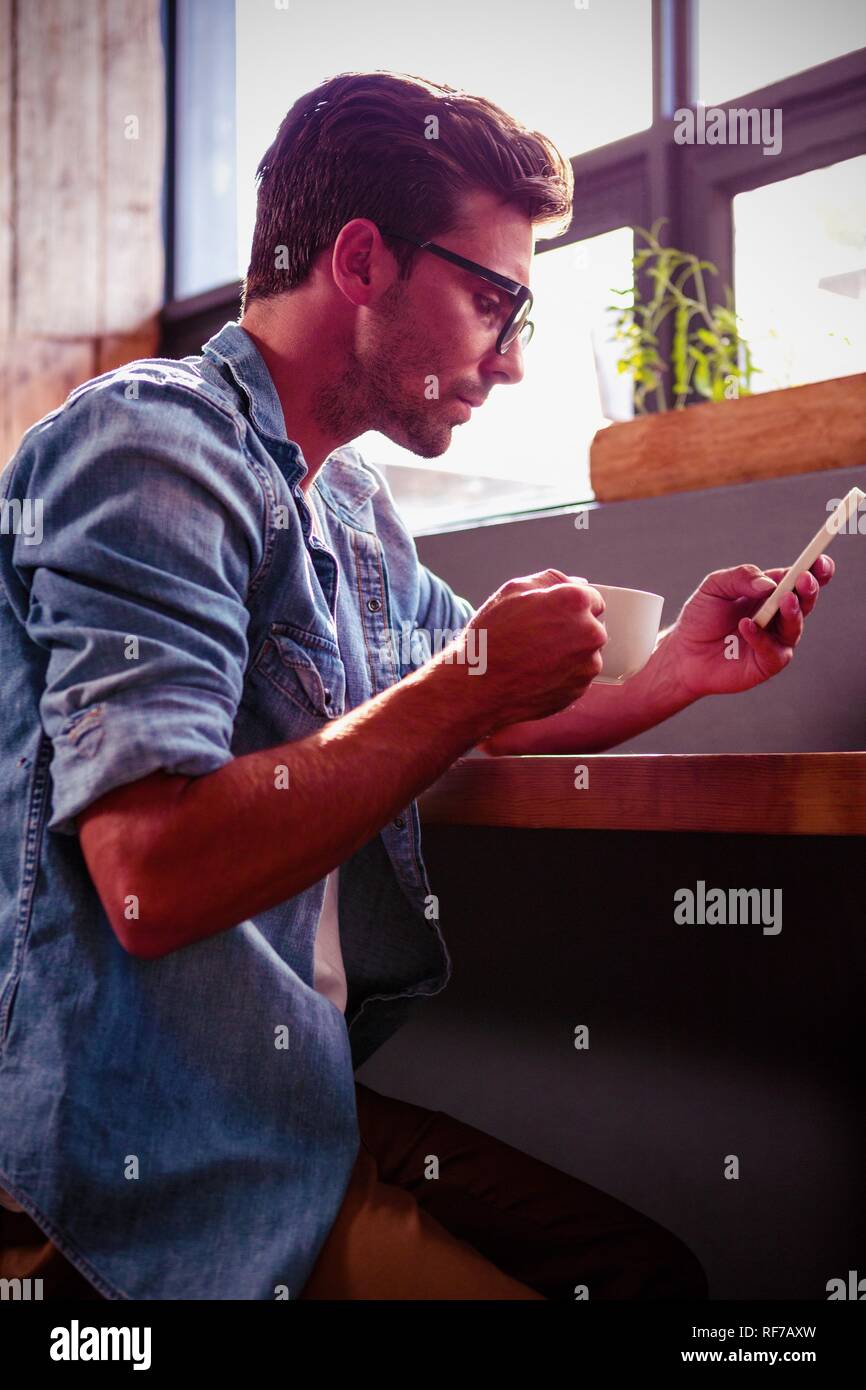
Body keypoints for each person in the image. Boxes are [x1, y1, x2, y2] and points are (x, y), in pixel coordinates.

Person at [0, 70, 832, 1301]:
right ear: (359, 261)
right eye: (496, 300)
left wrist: (675, 673)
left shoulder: (345, 502)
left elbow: (486, 712)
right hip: (139, 1148)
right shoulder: (151, 448)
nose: (507, 360)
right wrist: (464, 680)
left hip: (282, 1102)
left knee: (646, 1272)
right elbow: (151, 878)